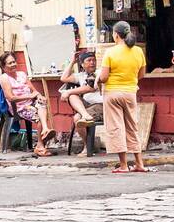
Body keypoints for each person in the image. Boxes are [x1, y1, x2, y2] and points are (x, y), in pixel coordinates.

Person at [98, 20, 148, 173]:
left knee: (116, 128)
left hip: (112, 93)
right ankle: (139, 164)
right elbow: (142, 74)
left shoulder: (110, 52)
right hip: (130, 93)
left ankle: (124, 165)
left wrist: (97, 79)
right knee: (132, 127)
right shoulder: (138, 51)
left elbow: (104, 77)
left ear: (116, 35)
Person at [0, 51, 55, 156]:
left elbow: (34, 91)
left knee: (42, 103)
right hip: (19, 108)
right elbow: (10, 97)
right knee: (40, 116)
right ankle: (40, 145)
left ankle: (44, 133)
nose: (13, 64)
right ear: (3, 66)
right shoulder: (4, 78)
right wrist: (30, 96)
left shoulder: (22, 74)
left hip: (31, 104)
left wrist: (39, 96)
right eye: (10, 63)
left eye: (14, 62)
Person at [60, 50, 103, 156]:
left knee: (77, 118)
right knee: (73, 96)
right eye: (89, 60)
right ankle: (88, 145)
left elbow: (91, 88)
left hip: (100, 106)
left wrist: (68, 91)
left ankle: (87, 147)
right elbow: (63, 78)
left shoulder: (99, 73)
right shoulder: (81, 76)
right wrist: (72, 62)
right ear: (82, 64)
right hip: (87, 107)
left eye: (94, 60)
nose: (92, 63)